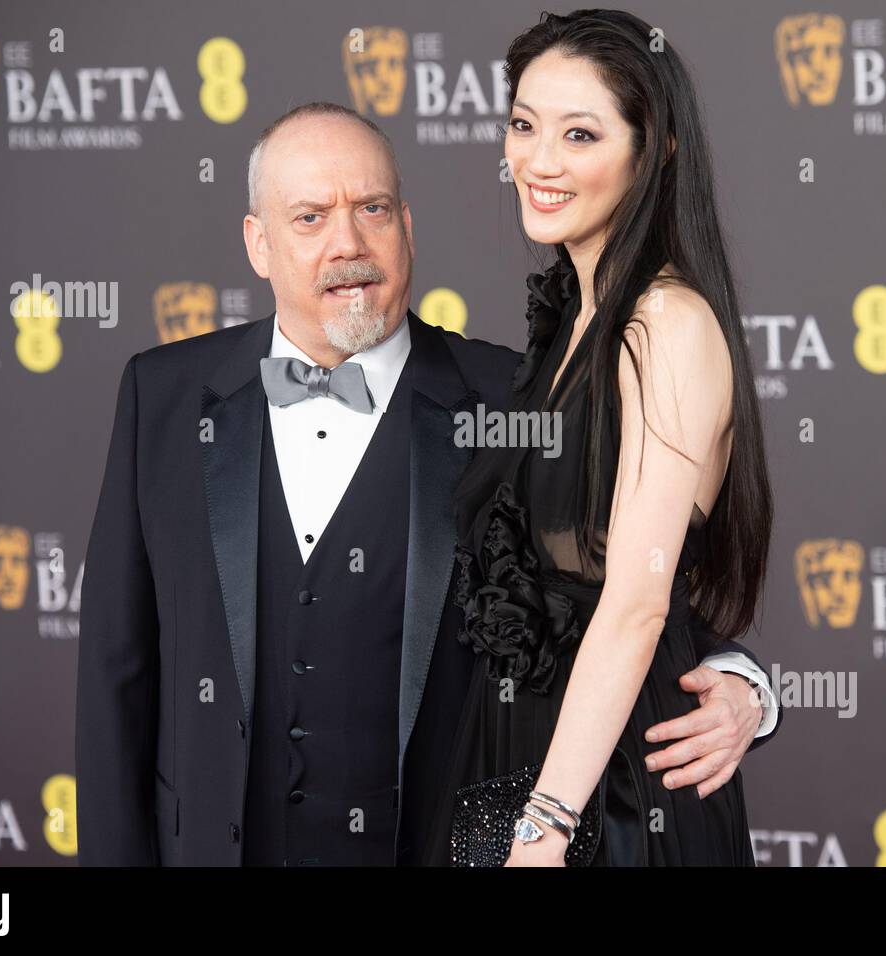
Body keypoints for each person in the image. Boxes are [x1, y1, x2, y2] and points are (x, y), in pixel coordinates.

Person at [75, 98, 779, 867]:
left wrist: (738, 681)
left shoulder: (513, 397)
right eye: (309, 217)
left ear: (407, 227)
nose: (349, 243)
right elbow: (118, 674)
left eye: (371, 208)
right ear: (258, 243)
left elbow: (615, 584)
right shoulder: (164, 397)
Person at [422, 10, 775, 866]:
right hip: (513, 765)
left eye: (580, 133)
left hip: (607, 795)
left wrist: (544, 828)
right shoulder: (566, 323)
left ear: (654, 151)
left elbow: (636, 603)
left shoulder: (668, 324)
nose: (539, 161)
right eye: (523, 124)